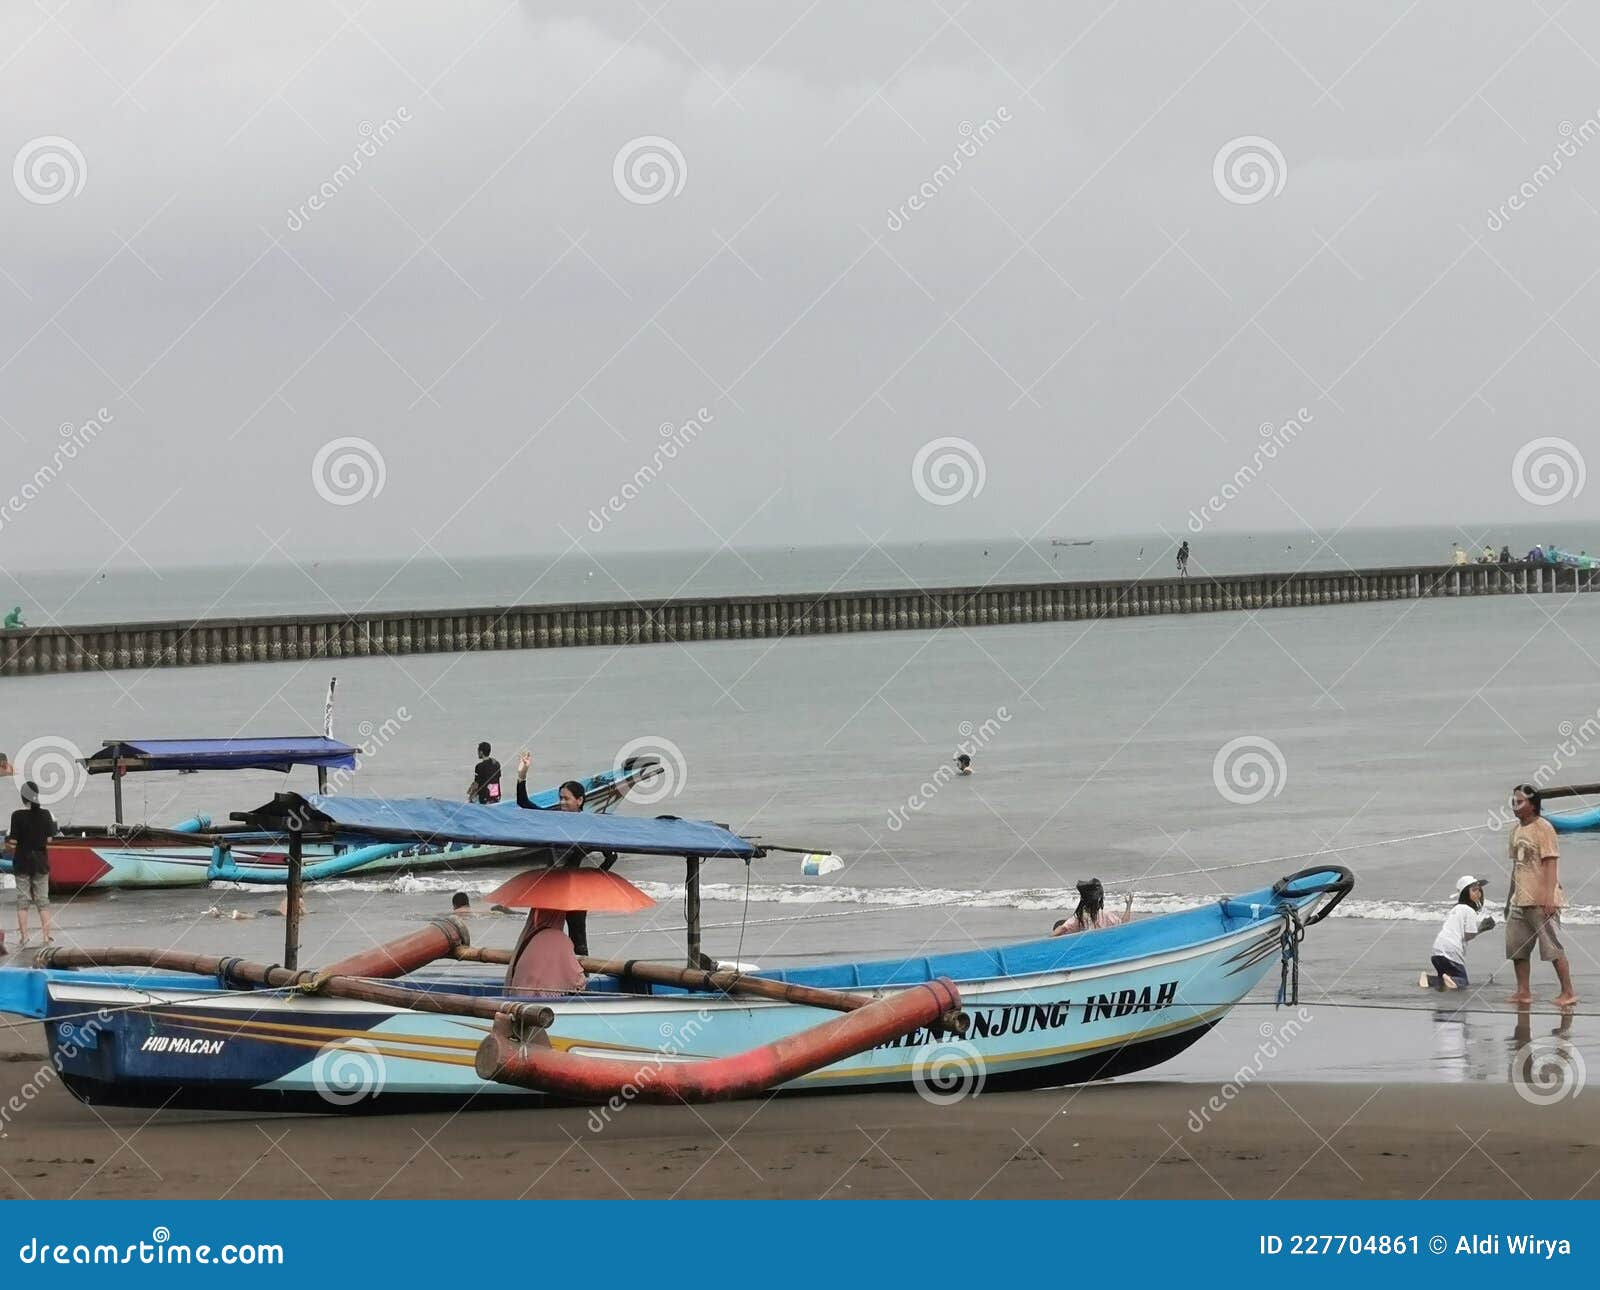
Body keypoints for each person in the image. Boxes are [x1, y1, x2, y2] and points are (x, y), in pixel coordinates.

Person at [1505, 785, 1579, 1007]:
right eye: (1513, 802)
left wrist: (1549, 898)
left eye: (1520, 802)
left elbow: (1550, 864)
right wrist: (1509, 898)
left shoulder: (1544, 828)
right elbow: (1516, 867)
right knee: (1517, 948)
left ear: (1533, 804)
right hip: (1520, 899)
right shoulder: (1515, 830)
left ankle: (1568, 992)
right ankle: (1523, 991)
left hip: (1541, 898)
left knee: (1551, 948)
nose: (1515, 807)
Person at [515, 752, 591, 953]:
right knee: (545, 935)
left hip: (575, 892)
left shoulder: (590, 826)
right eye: (560, 798)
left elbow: (612, 854)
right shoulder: (554, 818)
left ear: (580, 800)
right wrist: (522, 776)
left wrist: (595, 877)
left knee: (578, 939)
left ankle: (583, 978)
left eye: (566, 799)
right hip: (551, 889)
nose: (562, 802)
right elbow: (524, 804)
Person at [1420, 876, 1495, 990]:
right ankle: (1451, 981)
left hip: (1437, 949)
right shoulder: (1469, 911)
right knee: (1462, 981)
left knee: (1444, 977)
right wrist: (1482, 929)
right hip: (1452, 950)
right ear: (1465, 893)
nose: (1478, 893)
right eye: (1474, 890)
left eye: (1479, 890)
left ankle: (1429, 979)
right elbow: (1469, 934)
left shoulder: (1455, 909)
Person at [5, 781, 55, 946]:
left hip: (22, 862)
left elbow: (13, 843)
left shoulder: (17, 816)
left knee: (23, 901)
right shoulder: (46, 814)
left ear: (22, 797)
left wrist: (7, 844)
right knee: (43, 901)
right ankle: (46, 937)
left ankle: (24, 937)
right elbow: (49, 839)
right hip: (40, 862)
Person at [504, 908, 586, 994]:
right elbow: (579, 981)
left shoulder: (527, 936)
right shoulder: (559, 939)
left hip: (517, 997)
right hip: (542, 1001)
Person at [1051, 878, 1132, 936]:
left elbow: (1061, 930)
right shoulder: (1105, 915)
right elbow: (1123, 925)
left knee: (1059, 925)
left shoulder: (1078, 918)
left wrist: (1051, 936)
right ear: (1099, 898)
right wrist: (1128, 906)